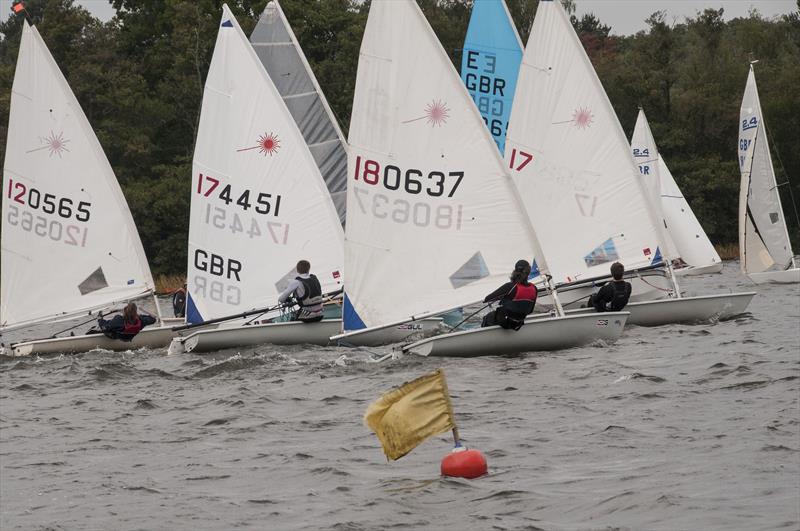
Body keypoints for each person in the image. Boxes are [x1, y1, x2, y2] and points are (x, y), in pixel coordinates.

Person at [480, 259, 538, 330]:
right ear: (529, 272)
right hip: (519, 322)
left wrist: (502, 297)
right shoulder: (534, 288)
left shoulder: (510, 286)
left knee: (488, 317)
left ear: (515, 271)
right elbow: (530, 310)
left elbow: (487, 299)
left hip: (505, 323)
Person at [88, 302, 157, 341]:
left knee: (96, 328)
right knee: (111, 325)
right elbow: (153, 319)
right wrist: (141, 312)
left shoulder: (118, 319)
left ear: (124, 311)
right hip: (129, 338)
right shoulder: (141, 320)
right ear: (135, 312)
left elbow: (104, 328)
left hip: (115, 337)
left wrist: (100, 319)